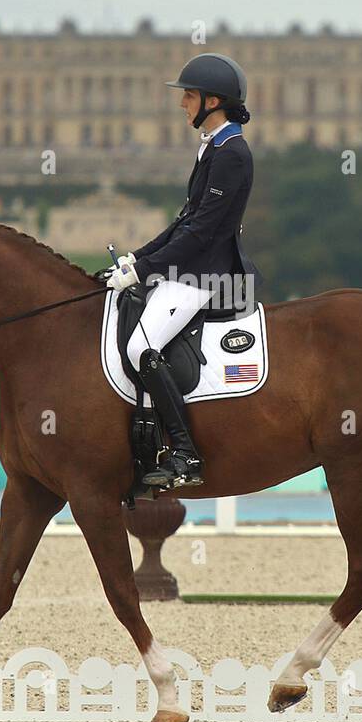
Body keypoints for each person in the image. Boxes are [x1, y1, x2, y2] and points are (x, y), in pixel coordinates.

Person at [106, 52, 259, 488]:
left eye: (189, 96)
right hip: (189, 266)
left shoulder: (232, 153)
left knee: (141, 348)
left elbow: (203, 233)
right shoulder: (213, 147)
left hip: (205, 274)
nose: (182, 104)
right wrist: (138, 258)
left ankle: (185, 453)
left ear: (213, 101)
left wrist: (147, 269)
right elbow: (184, 221)